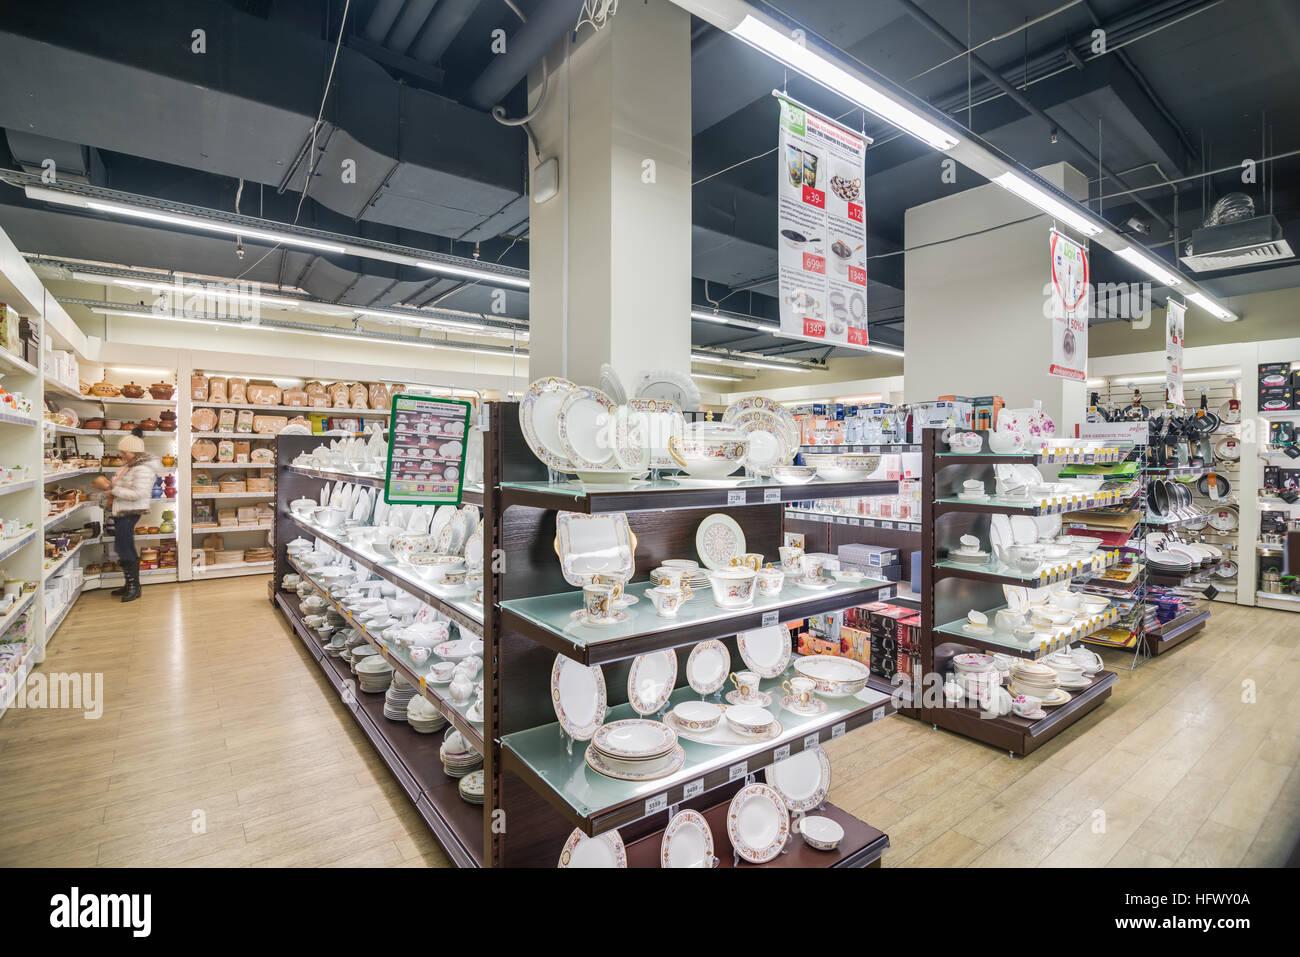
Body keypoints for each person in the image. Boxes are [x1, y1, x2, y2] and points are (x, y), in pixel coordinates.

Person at [92, 429, 158, 604]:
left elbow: (137, 493)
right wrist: (109, 486)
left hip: (130, 511)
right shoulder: (130, 467)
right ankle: (131, 584)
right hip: (123, 510)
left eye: (125, 452)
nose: (122, 455)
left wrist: (112, 489)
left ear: (135, 452)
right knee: (123, 546)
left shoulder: (143, 469)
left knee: (124, 547)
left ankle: (133, 586)